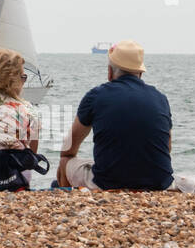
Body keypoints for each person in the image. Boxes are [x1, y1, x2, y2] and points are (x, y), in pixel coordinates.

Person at [56, 40, 173, 191]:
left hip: (108, 183)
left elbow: (70, 144)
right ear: (141, 73)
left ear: (110, 72)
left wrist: (66, 157)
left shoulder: (96, 96)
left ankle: (67, 200)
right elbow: (167, 147)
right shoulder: (160, 98)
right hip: (159, 182)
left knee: (66, 160)